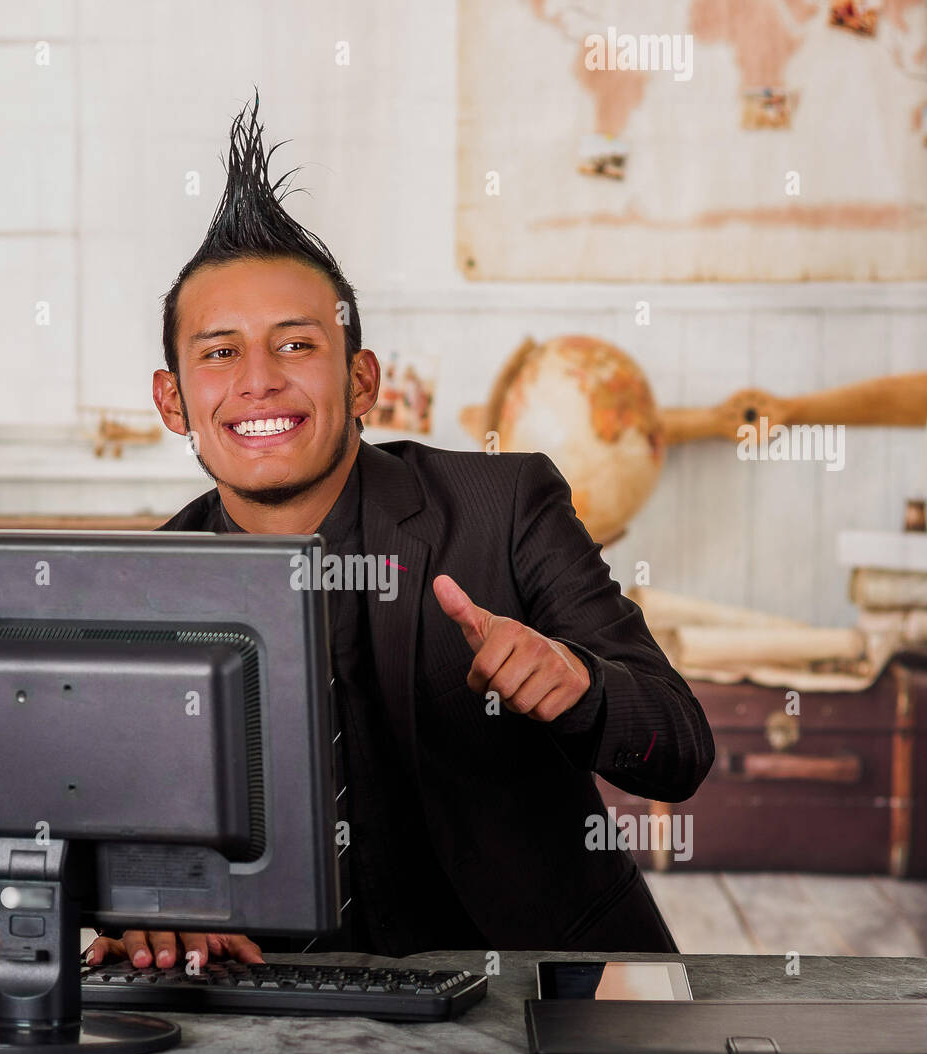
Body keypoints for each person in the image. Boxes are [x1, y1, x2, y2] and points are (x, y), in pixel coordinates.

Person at [87, 91, 714, 972]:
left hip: (541, 999)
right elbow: (112, 823)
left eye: (296, 345)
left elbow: (679, 747)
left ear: (362, 378)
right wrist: (149, 904)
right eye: (221, 352)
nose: (258, 382)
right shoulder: (137, 592)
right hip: (268, 1005)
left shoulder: (505, 506)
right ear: (172, 400)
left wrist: (582, 687)